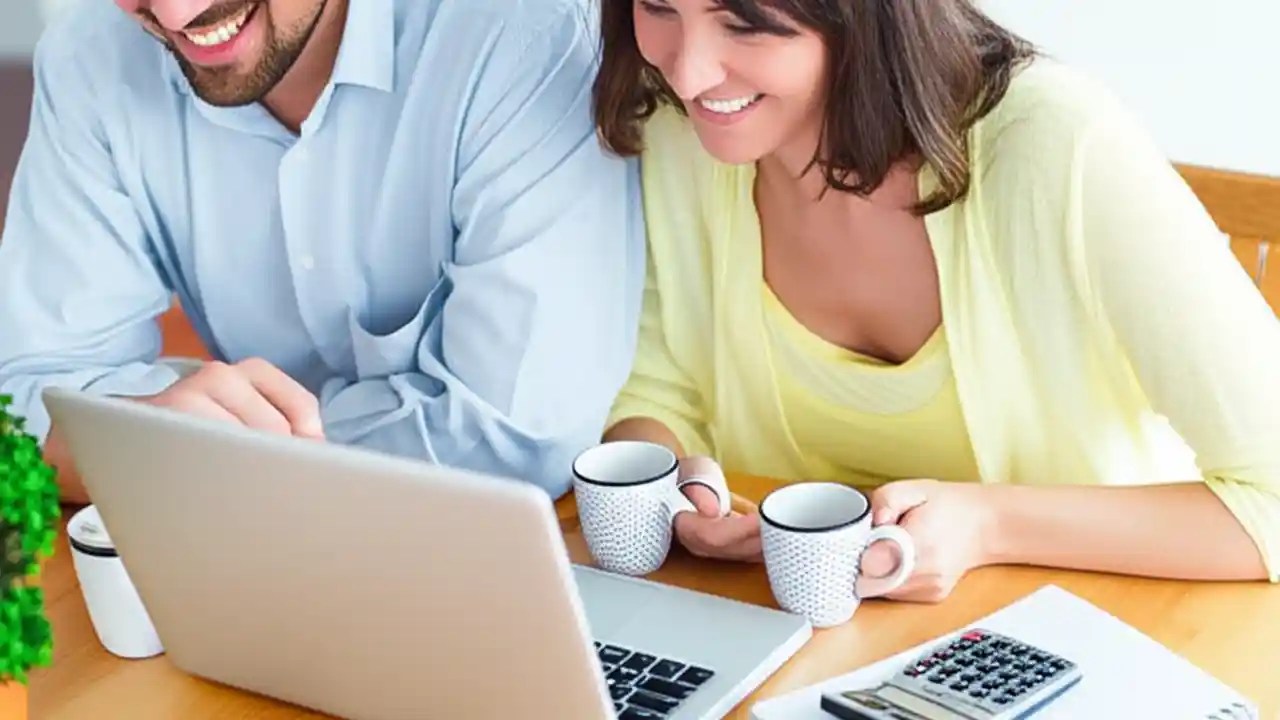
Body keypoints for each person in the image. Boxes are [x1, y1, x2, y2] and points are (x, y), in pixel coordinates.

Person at [592, 0, 1280, 602]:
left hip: (1109, 643)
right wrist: (669, 481)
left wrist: (988, 525)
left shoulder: (1060, 149)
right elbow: (657, 390)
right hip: (817, 652)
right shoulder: (685, 136)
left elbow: (1269, 499)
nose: (688, 73)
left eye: (744, 25)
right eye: (658, 7)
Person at [0, 0, 644, 504]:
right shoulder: (91, 57)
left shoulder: (529, 33)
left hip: (520, 563)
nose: (172, 17)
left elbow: (518, 438)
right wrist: (162, 439)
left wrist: (188, 446)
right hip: (249, 556)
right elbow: (31, 394)